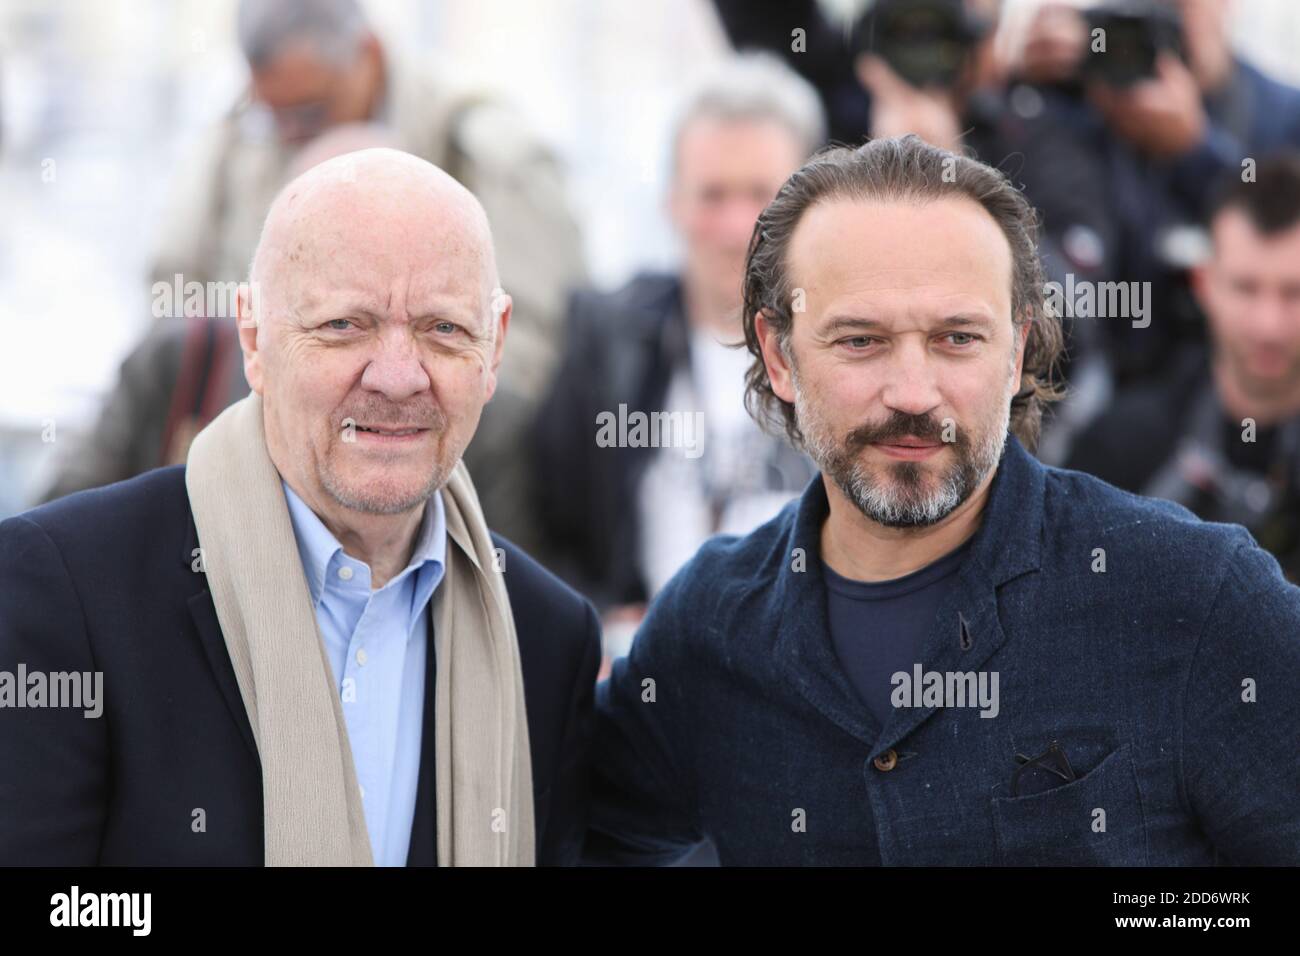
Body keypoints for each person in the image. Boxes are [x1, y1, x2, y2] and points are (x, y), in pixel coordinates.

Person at [585, 135, 1300, 866]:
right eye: (860, 341)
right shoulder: (709, 629)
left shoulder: (1199, 598)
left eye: (957, 338)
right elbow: (575, 832)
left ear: (1018, 350)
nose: (914, 394)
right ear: (779, 356)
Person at [0, 149, 599, 866]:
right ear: (253, 338)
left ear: (495, 347)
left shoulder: (546, 638)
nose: (400, 376)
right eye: (346, 325)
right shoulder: (66, 591)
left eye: (444, 329)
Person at [39, 0, 585, 555]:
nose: (288, 129)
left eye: (437, 325)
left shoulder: (487, 149)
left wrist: (395, 444)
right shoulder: (238, 142)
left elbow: (524, 357)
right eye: (345, 320)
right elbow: (177, 283)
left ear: (368, 56)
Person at [534, 54, 822, 615]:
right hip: (653, 673)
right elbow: (546, 525)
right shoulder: (605, 337)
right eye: (713, 195)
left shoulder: (860, 344)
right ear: (672, 202)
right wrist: (592, 622)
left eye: (762, 194)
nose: (739, 226)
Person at [1067, 153, 1300, 581]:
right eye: (1246, 288)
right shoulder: (1120, 449)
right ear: (1202, 283)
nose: (1269, 325)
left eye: (1293, 293)